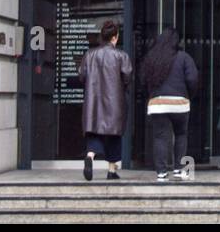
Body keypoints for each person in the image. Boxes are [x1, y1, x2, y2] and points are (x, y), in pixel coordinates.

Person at [139, 28, 199, 182]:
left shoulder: (151, 58)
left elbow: (143, 81)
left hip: (158, 103)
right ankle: (179, 169)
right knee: (181, 134)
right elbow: (192, 79)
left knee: (160, 137)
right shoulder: (184, 57)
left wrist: (151, 96)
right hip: (180, 103)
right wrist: (188, 95)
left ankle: (161, 172)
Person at [78, 19, 132, 181]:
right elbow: (127, 77)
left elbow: (82, 76)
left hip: (94, 102)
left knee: (94, 133)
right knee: (114, 135)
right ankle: (111, 171)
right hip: (115, 102)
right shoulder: (121, 55)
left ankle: (90, 156)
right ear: (115, 37)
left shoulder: (89, 55)